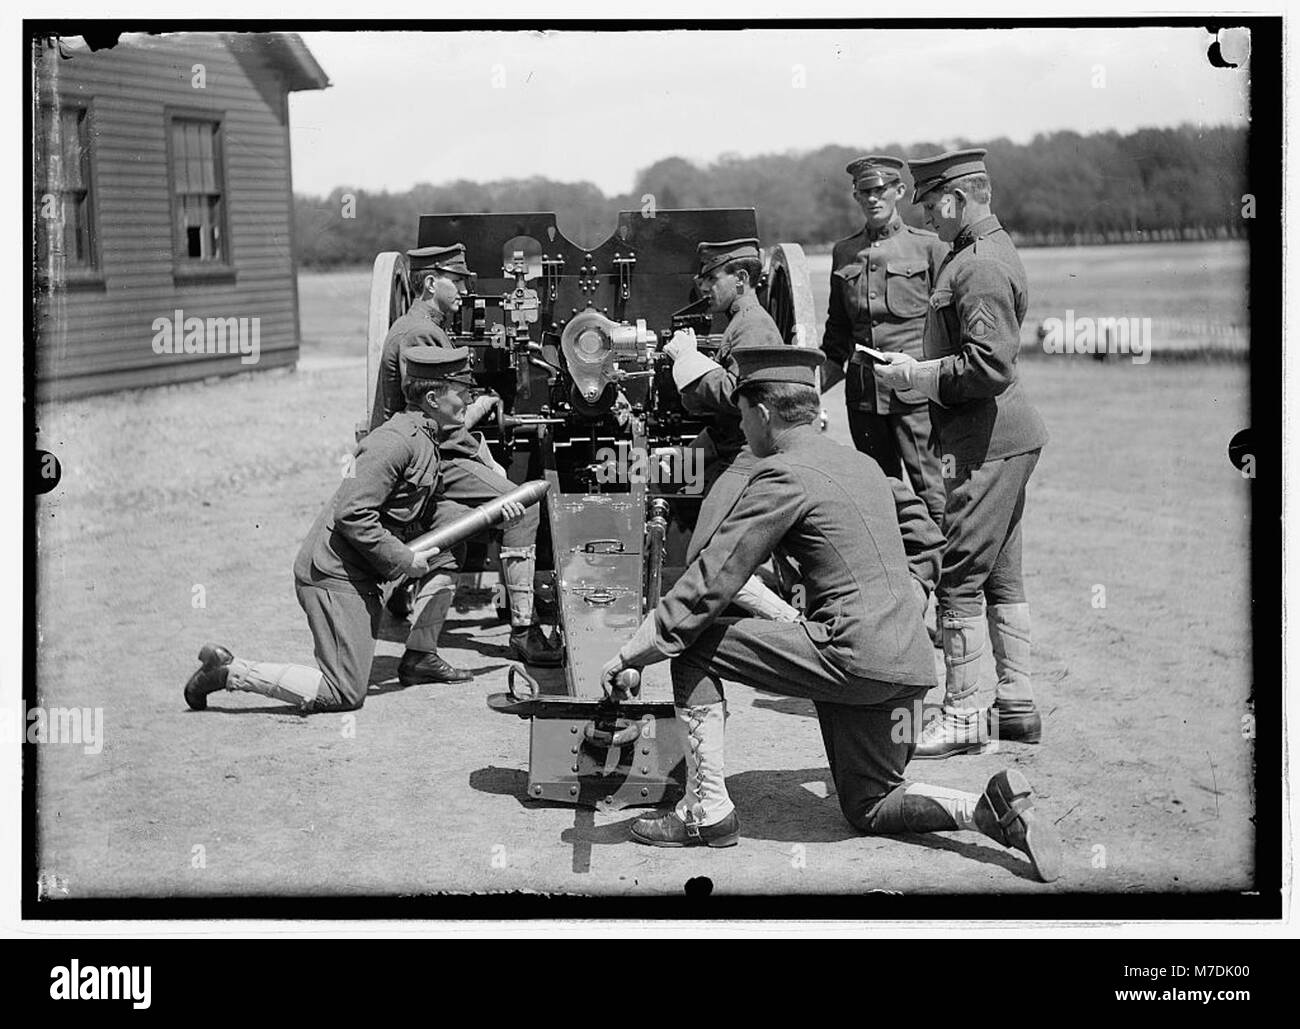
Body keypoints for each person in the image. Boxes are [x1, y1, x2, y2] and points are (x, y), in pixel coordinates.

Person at [598, 345, 1061, 883]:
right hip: (907, 669)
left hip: (849, 658)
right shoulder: (861, 464)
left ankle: (706, 812)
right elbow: (928, 537)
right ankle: (984, 809)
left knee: (695, 640)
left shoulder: (781, 475)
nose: (743, 426)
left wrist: (632, 651)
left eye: (744, 413)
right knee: (869, 807)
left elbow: (708, 586)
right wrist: (908, 601)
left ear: (764, 414)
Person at [182, 347, 504, 713]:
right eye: (461, 391)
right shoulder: (394, 442)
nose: (468, 398)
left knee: (444, 560)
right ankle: (228, 672)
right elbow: (353, 514)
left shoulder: (426, 437)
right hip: (334, 576)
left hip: (361, 572)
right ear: (432, 398)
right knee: (343, 693)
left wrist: (492, 512)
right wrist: (404, 558)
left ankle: (419, 658)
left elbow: (422, 509)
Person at [873, 149, 1050, 758]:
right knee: (1002, 574)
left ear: (955, 199)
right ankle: (1016, 705)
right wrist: (918, 369)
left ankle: (963, 714)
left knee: (958, 575)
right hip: (1000, 439)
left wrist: (917, 378)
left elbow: (990, 365)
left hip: (988, 443)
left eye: (931, 203)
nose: (928, 214)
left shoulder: (976, 265)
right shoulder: (977, 253)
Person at [370, 243, 562, 678]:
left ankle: (419, 655)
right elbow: (436, 416)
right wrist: (481, 432)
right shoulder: (418, 333)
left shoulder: (424, 326)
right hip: (425, 460)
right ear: (431, 282)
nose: (462, 291)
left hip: (427, 453)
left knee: (449, 542)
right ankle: (523, 631)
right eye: (456, 282)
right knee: (521, 509)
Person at [663, 238, 799, 620]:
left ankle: (786, 622)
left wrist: (688, 363)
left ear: (740, 278)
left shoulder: (752, 324)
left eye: (710, 277)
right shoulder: (740, 322)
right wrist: (687, 456)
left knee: (707, 553)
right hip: (733, 443)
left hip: (747, 454)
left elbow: (738, 393)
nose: (703, 287)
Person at [820, 155, 949, 534]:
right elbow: (838, 330)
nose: (873, 199)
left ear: (899, 192)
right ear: (856, 196)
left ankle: (950, 591)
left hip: (917, 396)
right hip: (864, 400)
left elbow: (948, 323)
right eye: (865, 192)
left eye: (881, 191)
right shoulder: (845, 253)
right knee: (882, 497)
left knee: (933, 495)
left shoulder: (929, 248)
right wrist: (814, 386)